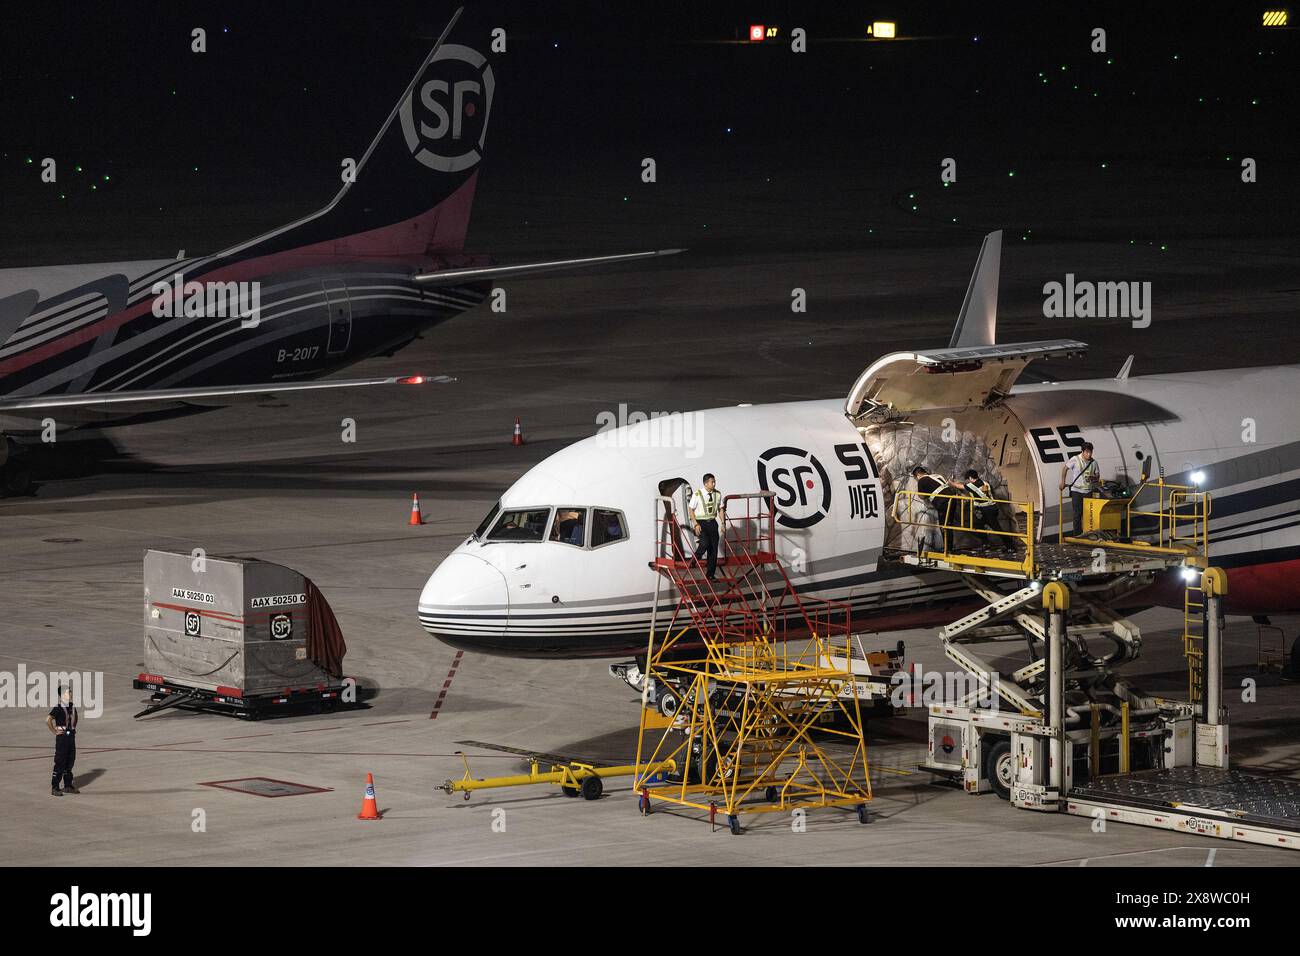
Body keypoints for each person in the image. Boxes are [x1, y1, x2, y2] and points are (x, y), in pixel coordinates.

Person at [911, 465, 966, 551]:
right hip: (952, 500)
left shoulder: (921, 480)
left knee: (944, 526)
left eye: (915, 478)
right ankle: (949, 547)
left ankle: (948, 549)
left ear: (917, 474)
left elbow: (921, 496)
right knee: (948, 524)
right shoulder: (937, 476)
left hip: (943, 502)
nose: (916, 479)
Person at [964, 469, 1016, 552]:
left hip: (987, 510)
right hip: (991, 508)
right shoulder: (985, 483)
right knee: (977, 524)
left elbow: (958, 486)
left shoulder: (972, 486)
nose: (968, 481)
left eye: (968, 479)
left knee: (996, 528)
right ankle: (986, 543)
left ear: (970, 477)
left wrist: (950, 482)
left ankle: (1010, 547)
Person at [689, 473, 725, 579]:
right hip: (701, 523)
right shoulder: (697, 494)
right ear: (706, 483)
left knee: (713, 549)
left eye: (714, 481)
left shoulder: (718, 494)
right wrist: (695, 524)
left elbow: (721, 509)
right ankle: (694, 559)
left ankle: (710, 574)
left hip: (713, 523)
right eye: (712, 482)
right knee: (704, 543)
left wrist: (723, 523)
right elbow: (691, 509)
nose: (714, 483)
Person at [1060, 442, 1101, 537]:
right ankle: (1077, 535)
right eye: (1086, 452)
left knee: (1087, 514)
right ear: (1082, 451)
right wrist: (1063, 482)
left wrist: (1093, 478)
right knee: (1077, 514)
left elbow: (1098, 476)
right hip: (1076, 491)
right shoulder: (1075, 459)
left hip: (1088, 491)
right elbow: (1065, 469)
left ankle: (1087, 534)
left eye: (1090, 452)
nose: (1089, 454)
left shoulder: (1094, 462)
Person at [46, 685, 79, 796]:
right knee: (60, 762)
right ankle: (55, 787)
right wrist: (54, 731)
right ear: (63, 694)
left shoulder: (72, 706)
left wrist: (73, 728)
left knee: (70, 761)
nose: (71, 693)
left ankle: (68, 785)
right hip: (62, 738)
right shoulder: (58, 707)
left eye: (70, 691)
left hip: (71, 737)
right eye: (68, 692)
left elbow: (75, 718)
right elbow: (48, 719)